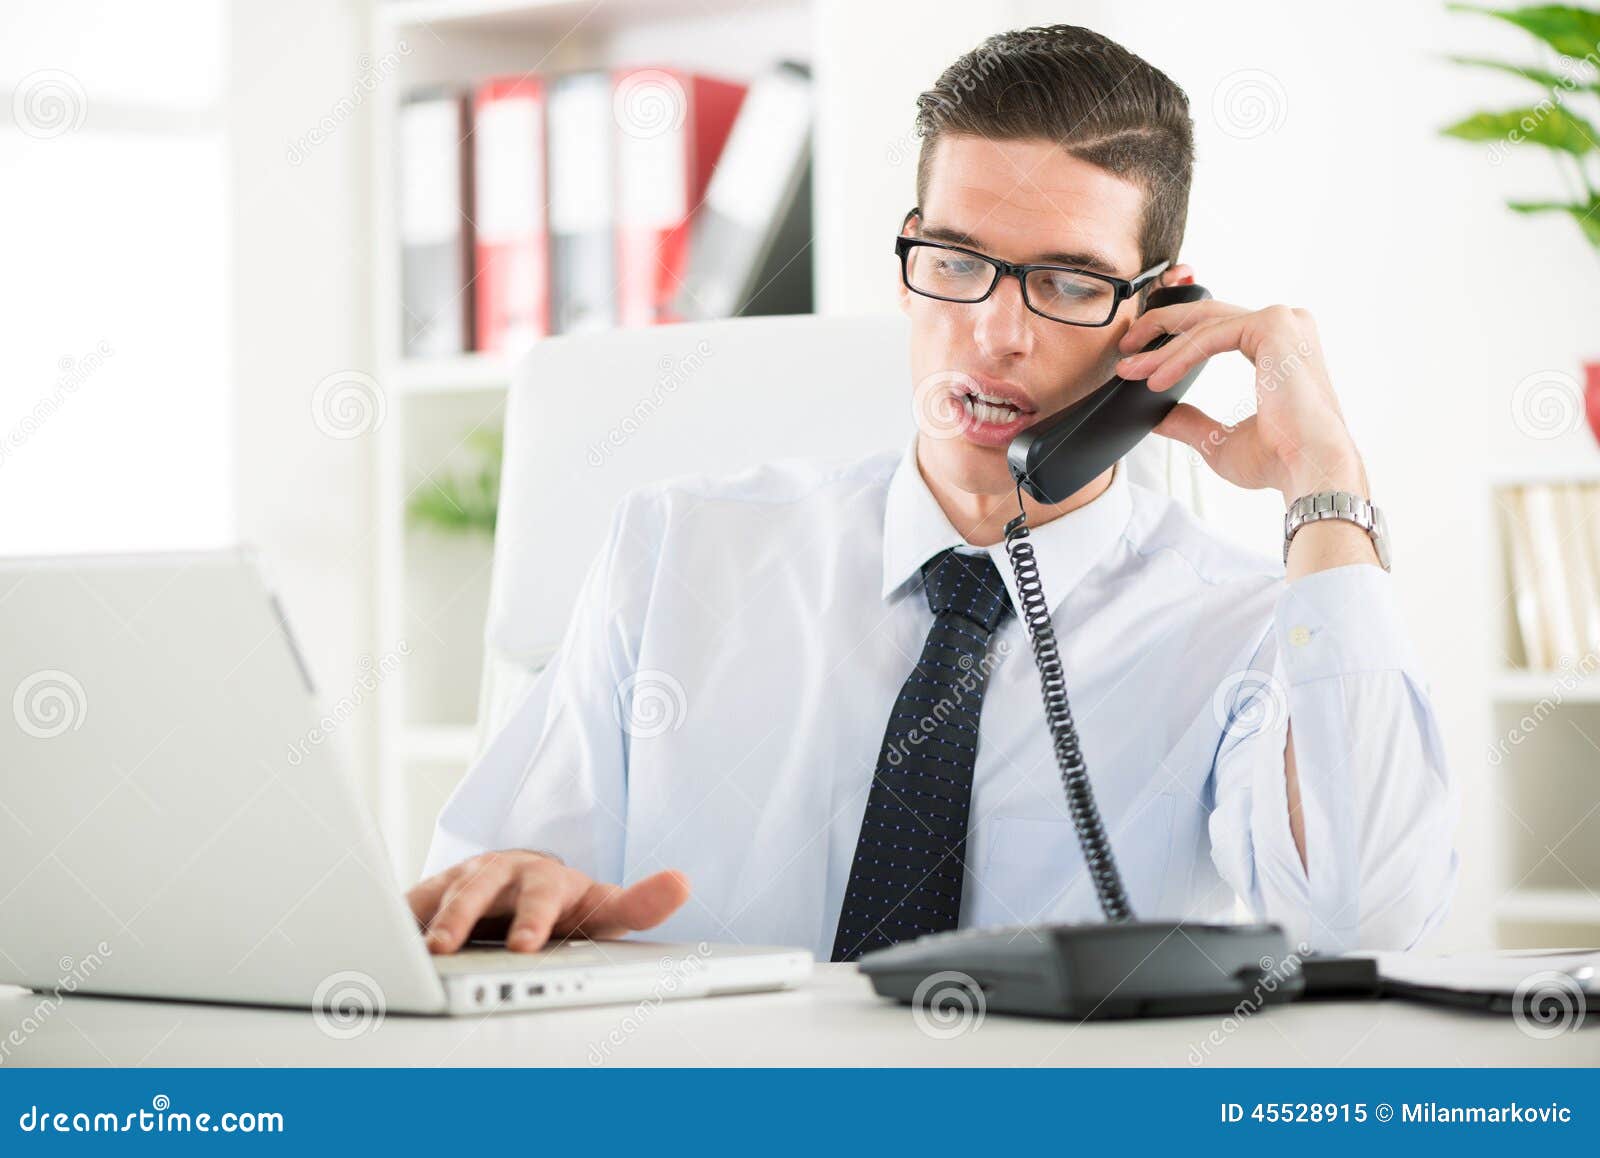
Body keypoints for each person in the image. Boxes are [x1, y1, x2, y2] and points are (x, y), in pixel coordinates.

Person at [408, 24, 1456, 963]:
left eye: (1069, 283)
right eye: (956, 260)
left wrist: (1326, 483)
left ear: (1159, 315)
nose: (997, 335)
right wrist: (517, 897)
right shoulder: (677, 550)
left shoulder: (1245, 627)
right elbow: (481, 898)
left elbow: (1363, 914)